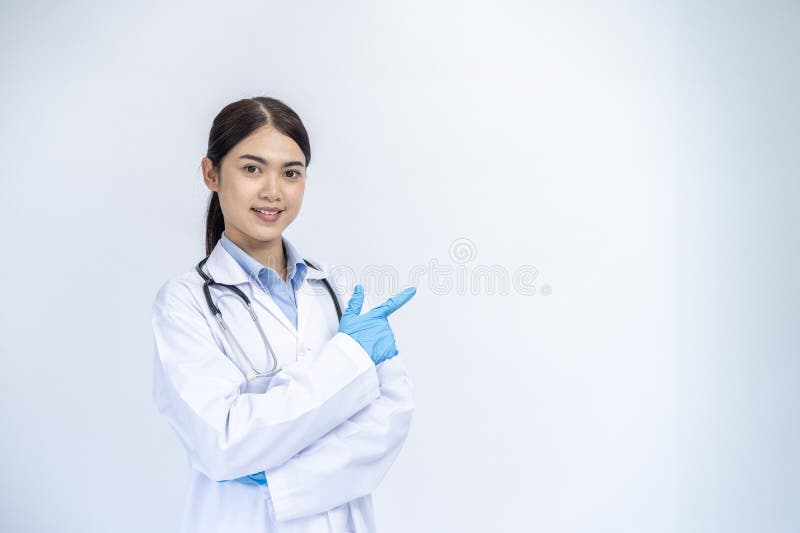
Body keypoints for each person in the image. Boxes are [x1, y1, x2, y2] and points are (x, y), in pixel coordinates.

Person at [151, 96, 416, 533]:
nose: (273, 190)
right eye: (252, 168)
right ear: (211, 174)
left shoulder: (341, 291)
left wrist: (279, 477)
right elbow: (225, 443)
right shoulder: (184, 303)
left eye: (291, 173)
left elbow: (390, 419)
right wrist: (349, 359)